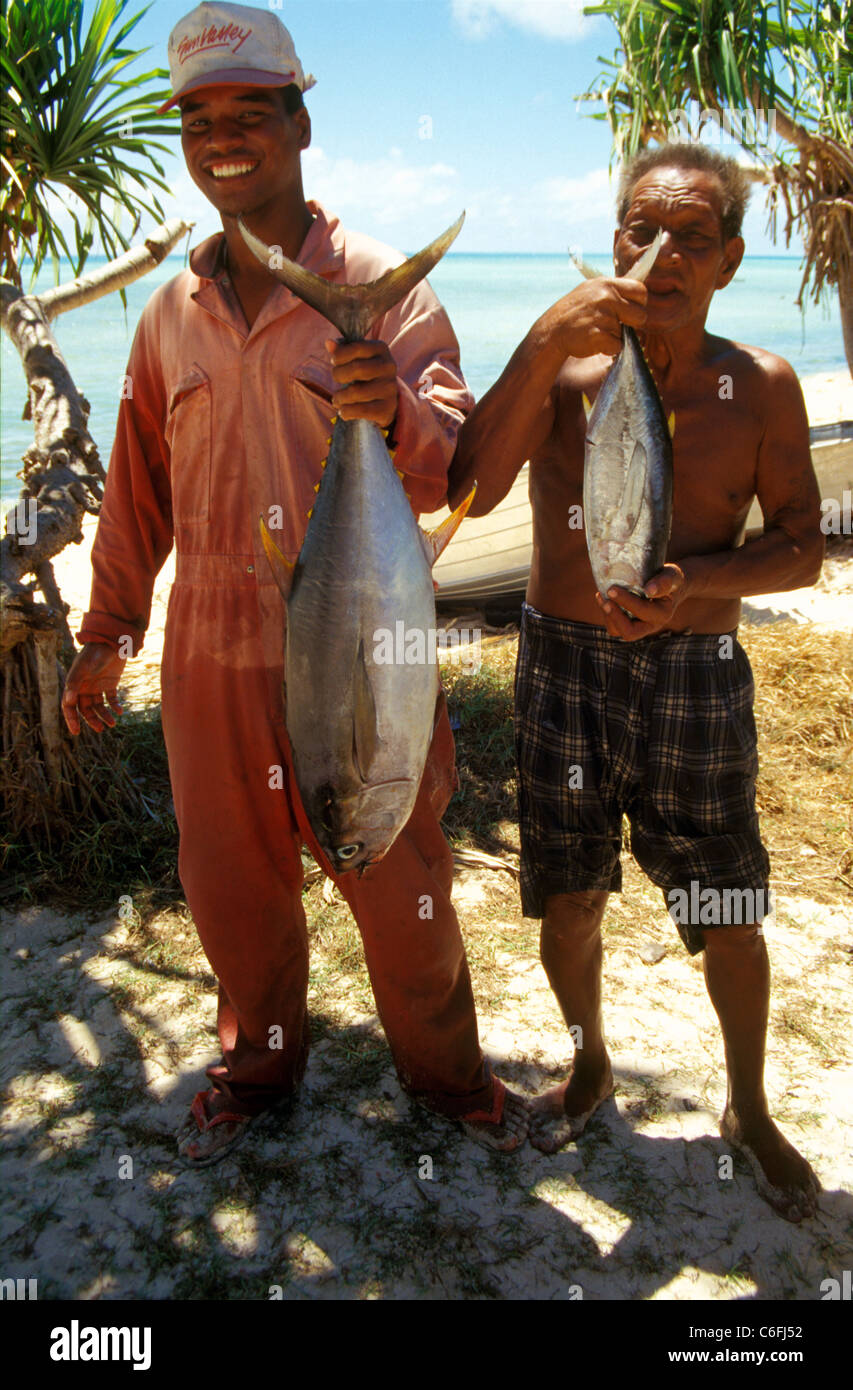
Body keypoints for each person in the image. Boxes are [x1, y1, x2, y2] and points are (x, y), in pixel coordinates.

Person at [62, 1, 528, 1164]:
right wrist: (109, 624)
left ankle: (447, 1073)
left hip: (369, 635)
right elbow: (137, 486)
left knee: (403, 873)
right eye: (199, 118)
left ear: (300, 118)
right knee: (229, 882)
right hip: (209, 646)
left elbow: (452, 466)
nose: (223, 137)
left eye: (250, 112)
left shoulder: (378, 285)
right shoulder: (172, 308)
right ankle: (258, 1063)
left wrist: (396, 412)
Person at [448, 143, 824, 1221]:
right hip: (562, 663)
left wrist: (696, 582)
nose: (658, 254)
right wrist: (536, 340)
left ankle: (747, 1107)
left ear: (730, 261)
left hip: (696, 669)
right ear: (614, 239)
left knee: (726, 904)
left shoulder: (759, 388)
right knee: (569, 898)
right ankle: (591, 1061)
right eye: (637, 231)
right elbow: (466, 487)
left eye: (689, 237)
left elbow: (801, 546)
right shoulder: (567, 375)